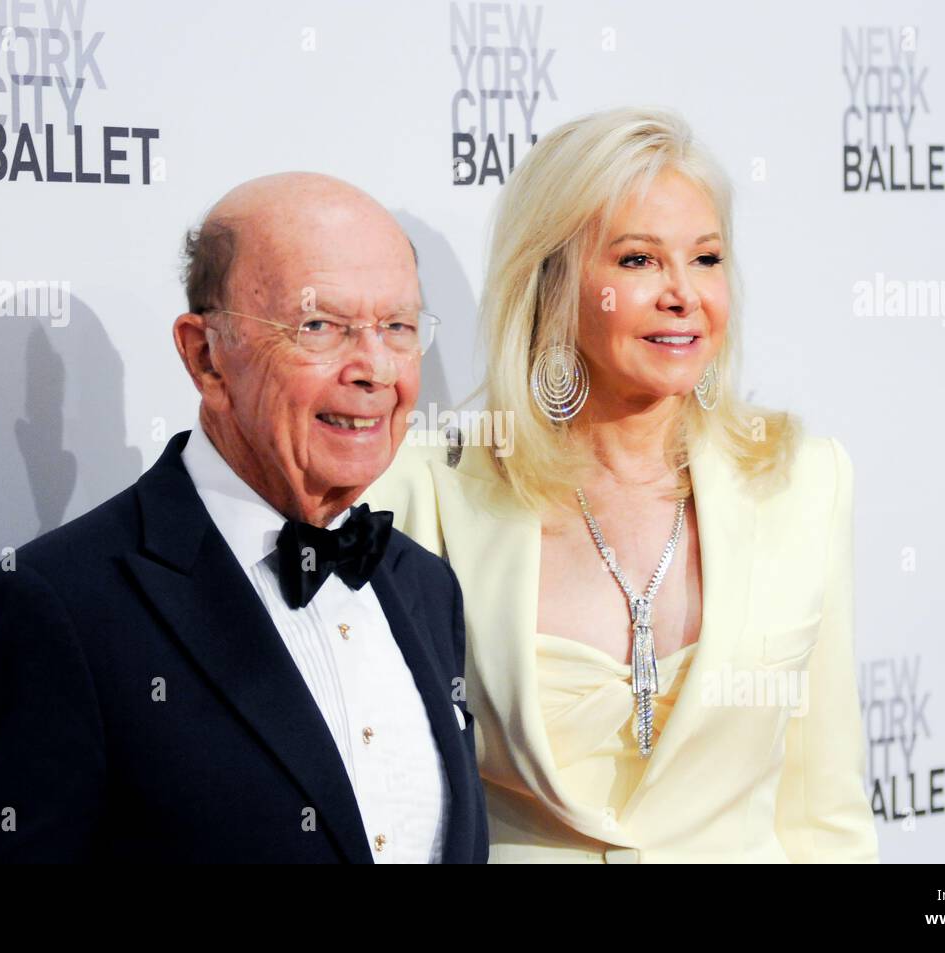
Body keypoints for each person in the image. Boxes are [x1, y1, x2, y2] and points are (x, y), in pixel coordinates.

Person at [360, 107, 879, 862]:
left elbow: (823, 808)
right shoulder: (430, 489)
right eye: (638, 261)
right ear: (553, 281)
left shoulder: (802, 481)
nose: (683, 293)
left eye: (706, 259)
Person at [0, 172, 488, 863]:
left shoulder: (425, 585)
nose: (375, 367)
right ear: (206, 356)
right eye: (319, 326)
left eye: (398, 327)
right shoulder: (59, 610)